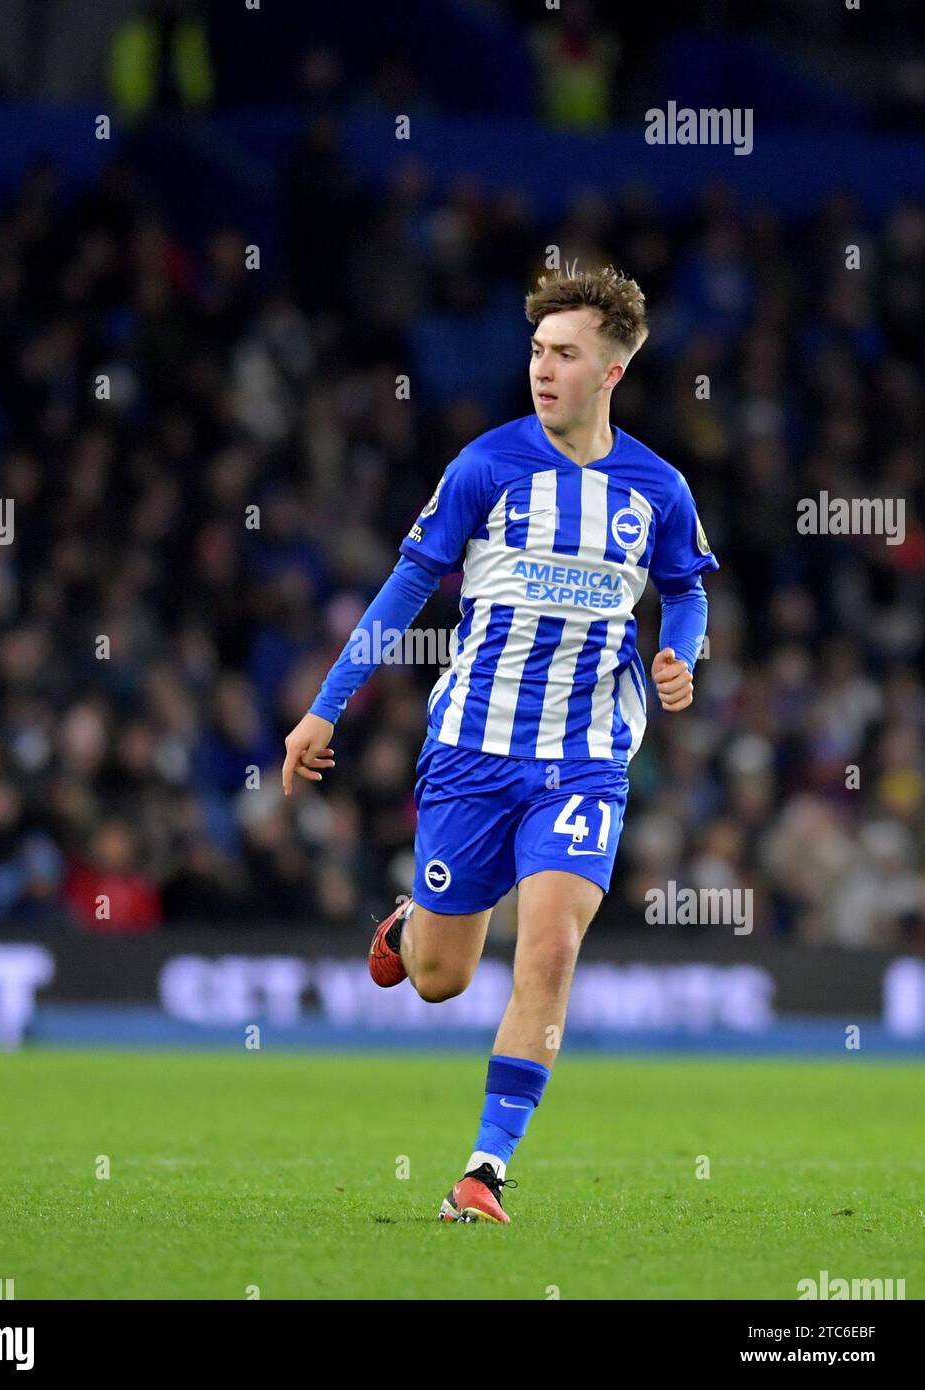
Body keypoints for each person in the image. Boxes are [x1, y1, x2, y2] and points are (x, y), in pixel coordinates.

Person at [282, 263, 719, 1223]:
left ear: (612, 370)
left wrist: (679, 654)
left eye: (564, 353)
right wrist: (327, 707)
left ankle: (484, 1169)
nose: (543, 368)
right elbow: (406, 588)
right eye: (536, 351)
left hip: (587, 754)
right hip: (472, 752)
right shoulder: (485, 466)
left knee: (551, 950)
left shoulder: (659, 489)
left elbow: (685, 588)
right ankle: (407, 927)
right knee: (440, 979)